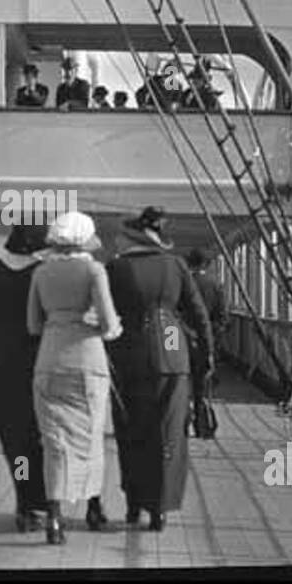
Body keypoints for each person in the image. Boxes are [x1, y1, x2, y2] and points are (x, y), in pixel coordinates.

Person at [105, 207, 212, 531]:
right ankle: (160, 509)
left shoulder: (116, 268)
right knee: (168, 433)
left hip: (129, 357)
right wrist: (206, 358)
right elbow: (198, 314)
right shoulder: (176, 265)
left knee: (131, 431)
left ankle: (134, 504)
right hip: (171, 351)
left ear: (132, 237)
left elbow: (105, 315)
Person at [28, 212, 122, 544]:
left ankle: (54, 518)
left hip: (48, 362)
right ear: (85, 239)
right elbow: (110, 324)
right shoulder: (94, 270)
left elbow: (33, 325)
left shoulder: (40, 272)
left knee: (54, 442)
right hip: (87, 364)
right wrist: (96, 325)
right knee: (91, 438)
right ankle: (93, 508)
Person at [0, 225, 51, 532]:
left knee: (15, 445)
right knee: (38, 442)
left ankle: (23, 503)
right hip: (37, 368)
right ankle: (42, 501)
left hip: (2, 372)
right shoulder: (41, 273)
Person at [185, 249, 226, 439]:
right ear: (207, 265)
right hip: (206, 341)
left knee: (181, 383)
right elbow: (222, 317)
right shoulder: (215, 285)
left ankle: (182, 423)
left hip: (182, 340)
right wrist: (214, 338)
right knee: (202, 385)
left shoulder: (182, 284)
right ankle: (203, 426)